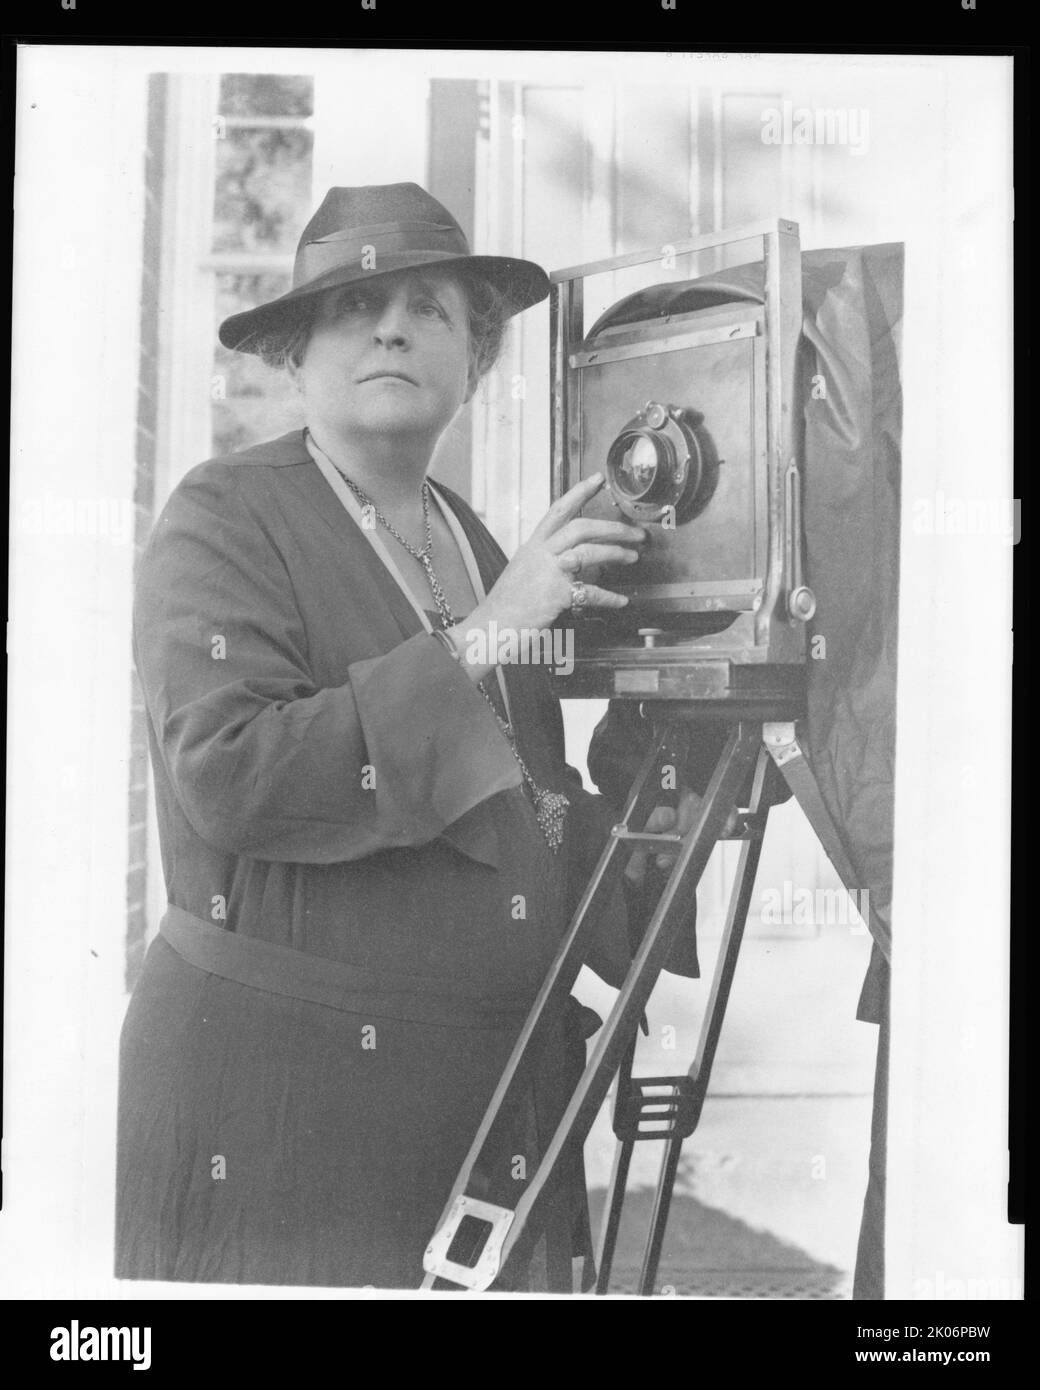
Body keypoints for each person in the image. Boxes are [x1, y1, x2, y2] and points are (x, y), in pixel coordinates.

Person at [116, 182, 696, 1292]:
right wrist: (485, 636)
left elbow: (520, 821)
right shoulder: (223, 514)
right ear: (297, 351)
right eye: (354, 306)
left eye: (428, 307)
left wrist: (667, 733)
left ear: (473, 361)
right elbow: (229, 775)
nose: (391, 326)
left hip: (473, 1109)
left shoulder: (471, 539)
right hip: (282, 1111)